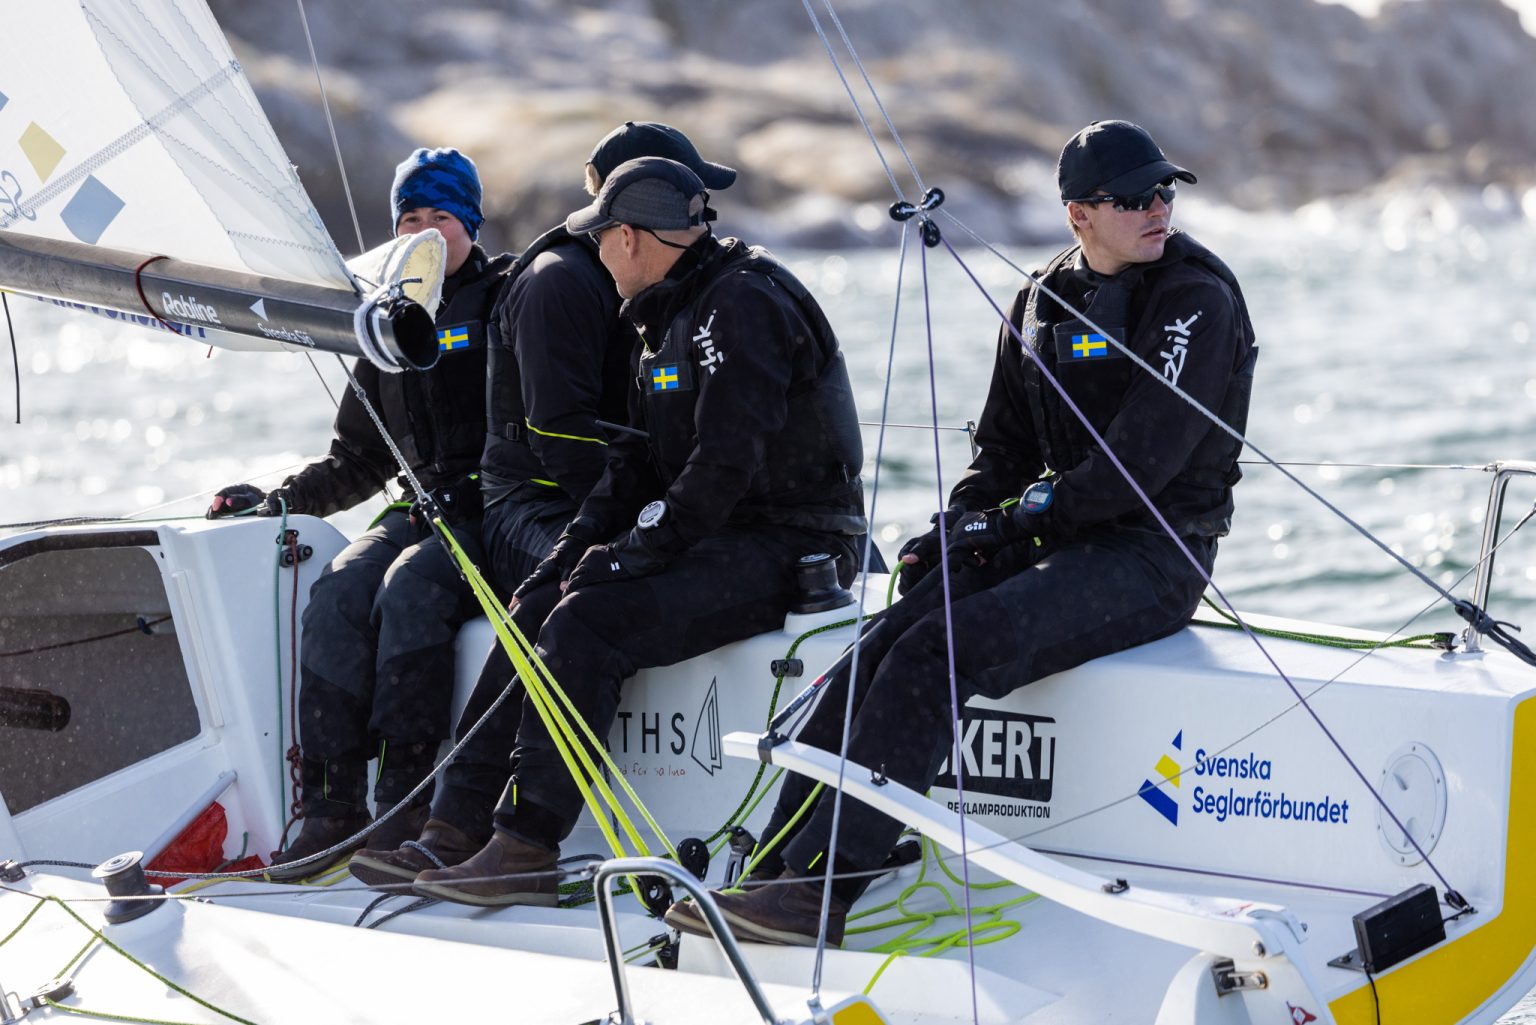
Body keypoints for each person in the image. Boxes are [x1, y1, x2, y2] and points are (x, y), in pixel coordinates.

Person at [665, 119, 1259, 946]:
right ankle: (770, 871)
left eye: (1165, 191)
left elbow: (1135, 468)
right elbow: (1002, 453)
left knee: (937, 651)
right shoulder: (1040, 300)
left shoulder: (1197, 299)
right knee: (881, 643)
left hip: (1153, 554)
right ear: (1079, 214)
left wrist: (1007, 521)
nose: (1158, 208)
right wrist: (954, 528)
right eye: (1134, 199)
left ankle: (823, 890)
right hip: (1057, 538)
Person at [405, 156, 869, 907]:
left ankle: (527, 844)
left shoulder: (742, 303)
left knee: (587, 620)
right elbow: (636, 464)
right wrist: (573, 551)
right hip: (722, 529)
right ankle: (455, 823)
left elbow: (723, 467)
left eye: (599, 237)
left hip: (793, 539)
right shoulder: (665, 310)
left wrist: (632, 555)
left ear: (628, 238)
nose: (593, 251)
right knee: (540, 601)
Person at [347, 125, 742, 888]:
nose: (699, 218)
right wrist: (633, 528)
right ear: (634, 209)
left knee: (585, 582)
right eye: (687, 202)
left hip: (608, 499)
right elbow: (561, 438)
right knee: (557, 594)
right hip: (524, 506)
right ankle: (451, 822)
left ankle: (469, 825)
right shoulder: (561, 281)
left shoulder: (684, 289)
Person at [208, 147, 514, 879]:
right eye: (411, 218)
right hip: (420, 507)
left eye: (442, 216)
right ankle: (331, 806)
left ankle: (404, 802)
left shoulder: (509, 300)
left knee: (411, 590)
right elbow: (356, 459)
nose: (426, 231)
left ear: (470, 222)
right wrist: (281, 500)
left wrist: (482, 490)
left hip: (495, 508)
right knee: (338, 591)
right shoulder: (385, 320)